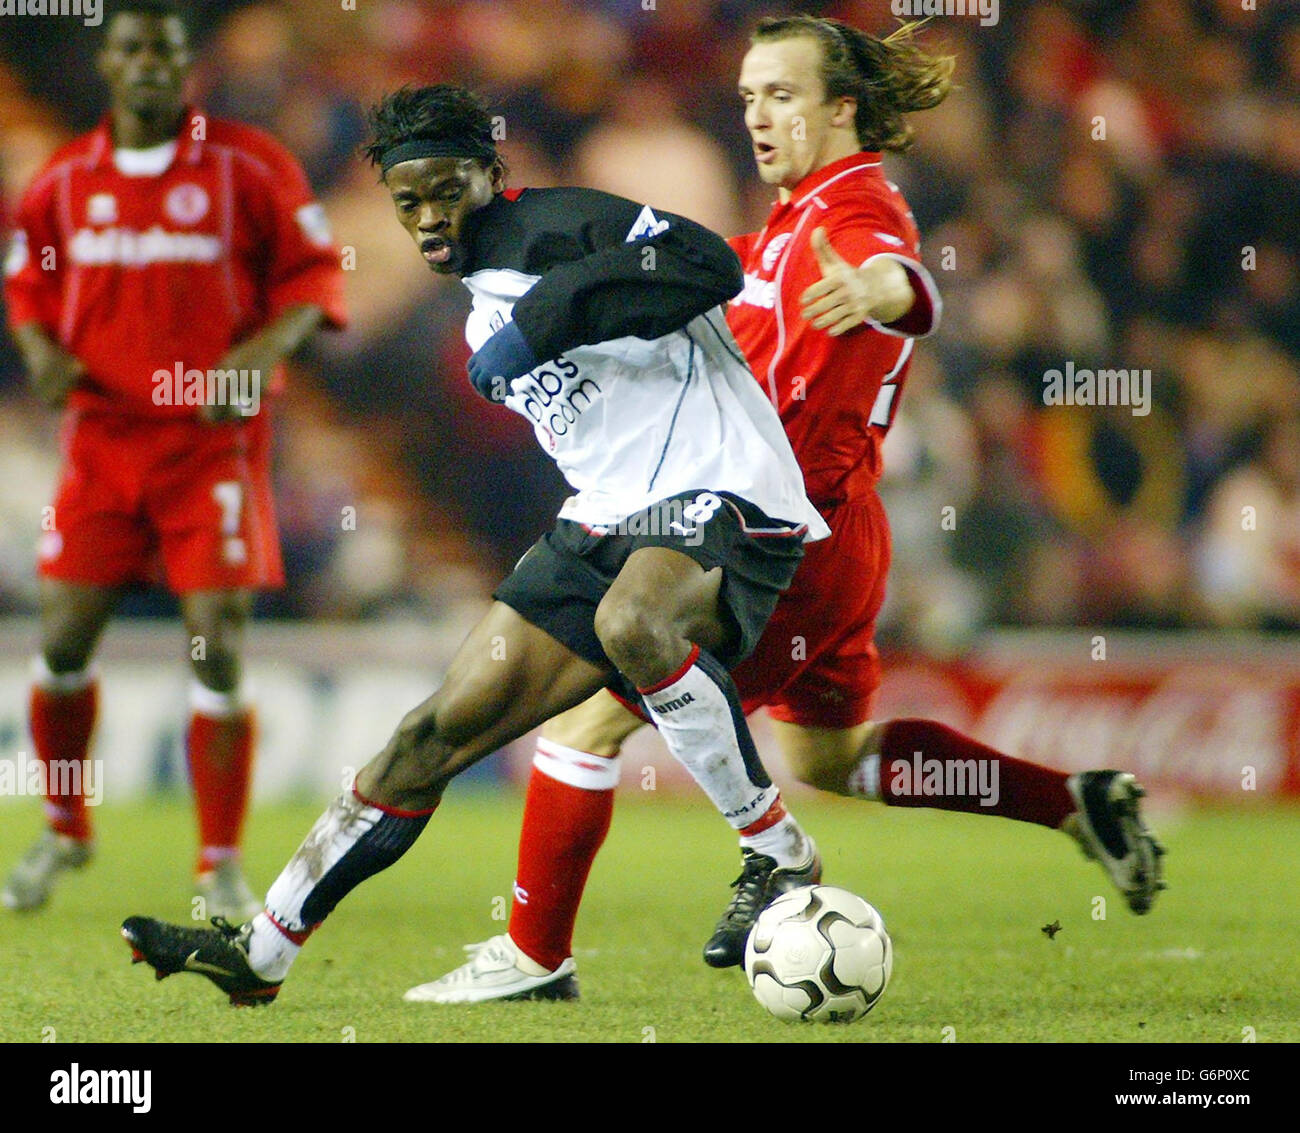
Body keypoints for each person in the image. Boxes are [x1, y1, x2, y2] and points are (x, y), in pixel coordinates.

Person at [409, 15, 1168, 1005]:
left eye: (782, 95)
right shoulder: (776, 226)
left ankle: (534, 954)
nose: (759, 117)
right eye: (748, 98)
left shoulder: (852, 211)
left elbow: (899, 278)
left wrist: (882, 290)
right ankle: (1075, 802)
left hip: (780, 534)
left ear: (840, 107)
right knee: (832, 755)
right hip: (830, 531)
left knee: (581, 724)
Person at [120, 82, 833, 1005]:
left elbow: (705, 264)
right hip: (607, 516)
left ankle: (776, 852)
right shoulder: (474, 305)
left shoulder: (558, 225)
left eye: (447, 189)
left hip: (725, 492)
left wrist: (546, 321)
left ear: (491, 175)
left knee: (633, 621)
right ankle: (263, 951)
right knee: (427, 735)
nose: (428, 217)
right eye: (408, 201)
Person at [2, 0, 347, 919]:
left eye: (165, 50)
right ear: (110, 64)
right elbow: (27, 275)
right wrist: (37, 345)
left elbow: (314, 277)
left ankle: (218, 860)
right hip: (102, 449)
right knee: (64, 642)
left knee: (219, 642)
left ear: (185, 64)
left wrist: (259, 355)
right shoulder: (64, 179)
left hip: (212, 452)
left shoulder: (248, 165)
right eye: (132, 50)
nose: (150, 65)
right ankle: (66, 826)